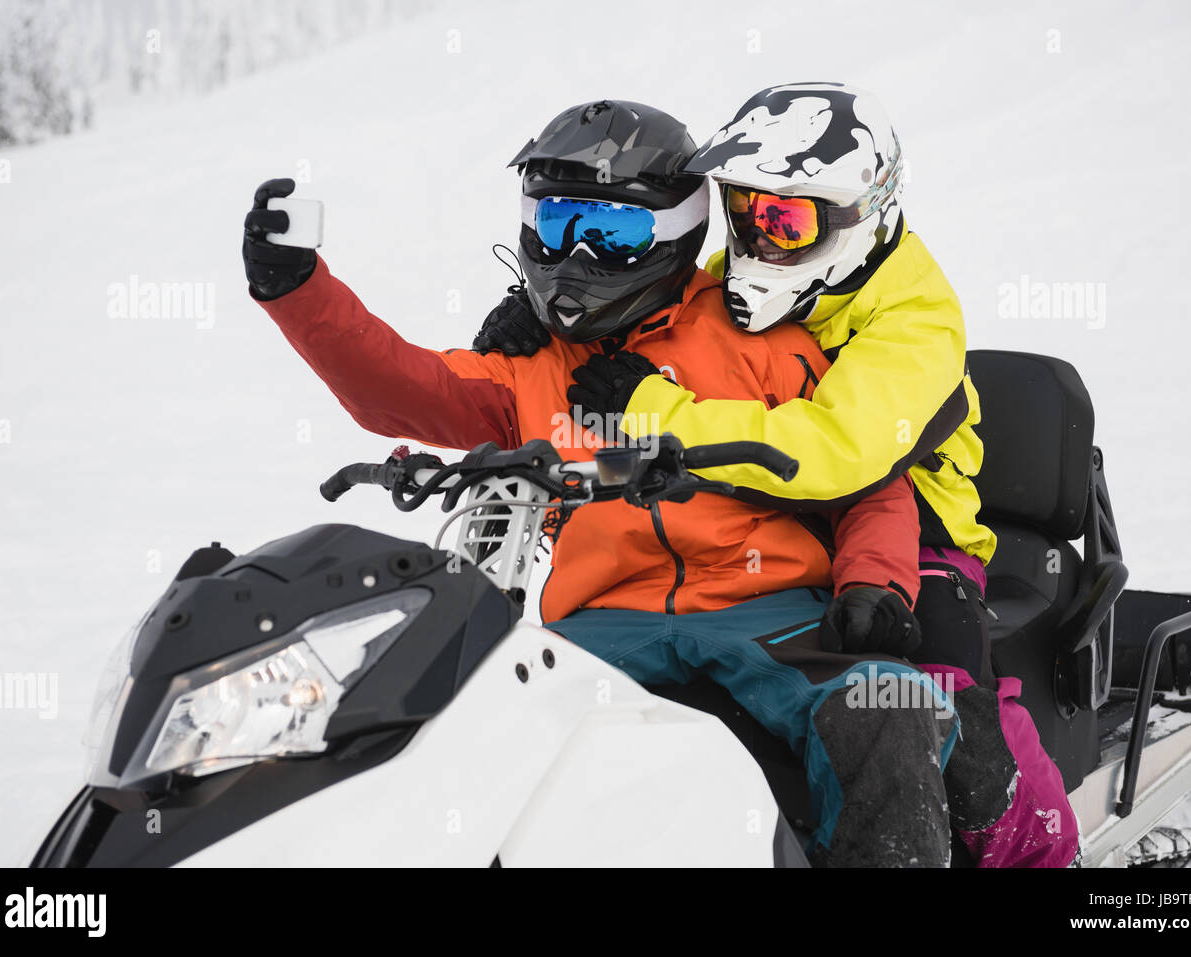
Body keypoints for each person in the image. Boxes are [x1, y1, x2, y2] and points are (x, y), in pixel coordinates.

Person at [244, 99, 957, 866]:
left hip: (768, 615)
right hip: (601, 626)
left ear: (678, 231)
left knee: (887, 704)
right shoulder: (535, 363)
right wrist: (299, 291)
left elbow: (867, 479)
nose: (577, 256)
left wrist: (875, 585)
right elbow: (403, 385)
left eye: (611, 233)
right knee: (467, 727)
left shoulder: (756, 335)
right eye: (557, 226)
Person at [473, 83, 1077, 868]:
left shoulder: (917, 321)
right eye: (749, 214)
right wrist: (543, 324)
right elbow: (659, 312)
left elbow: (839, 450)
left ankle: (1040, 847)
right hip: (784, 516)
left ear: (863, 213)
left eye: (787, 221)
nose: (761, 243)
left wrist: (661, 413)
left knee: (930, 702)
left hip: (917, 530)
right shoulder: (757, 274)